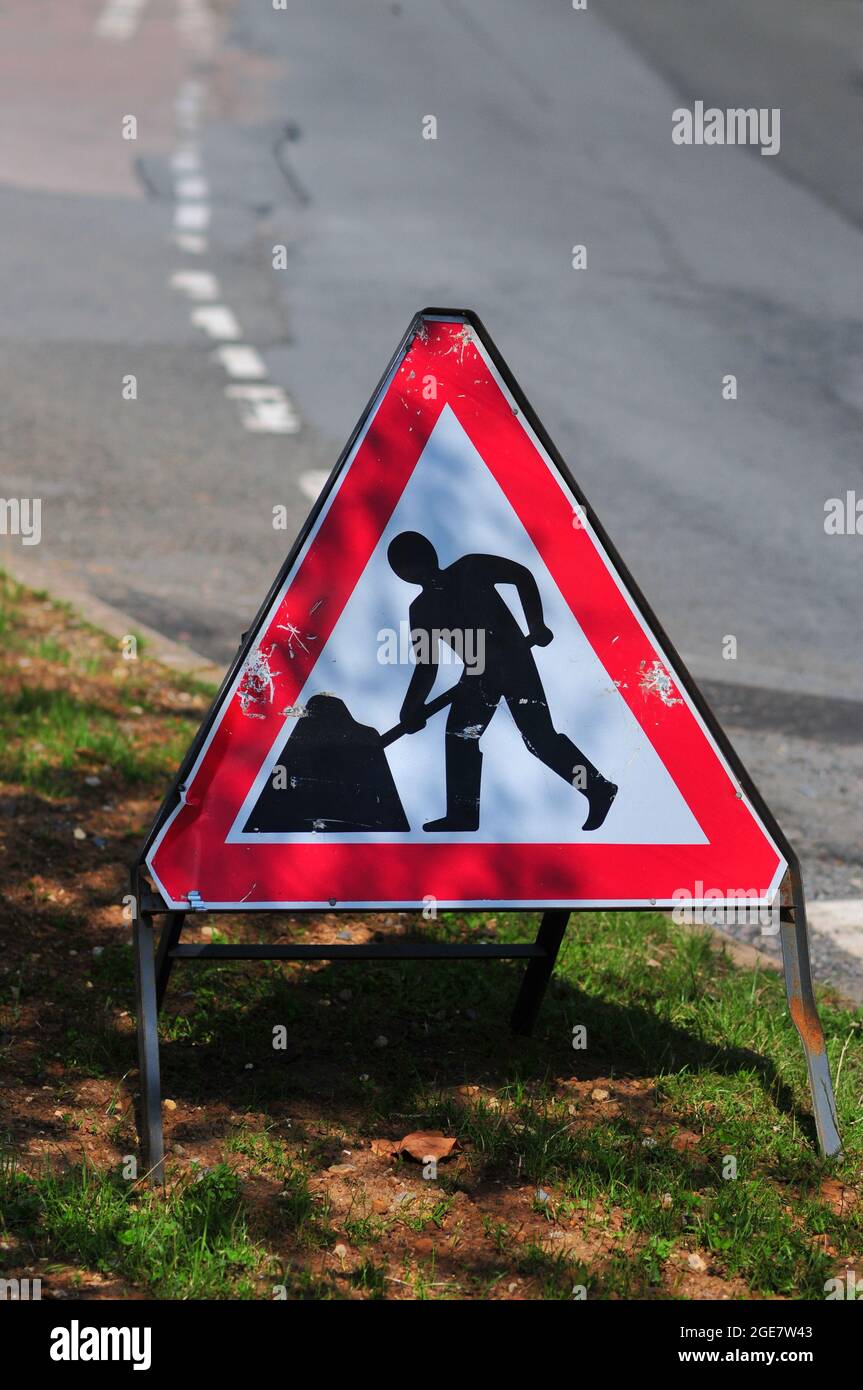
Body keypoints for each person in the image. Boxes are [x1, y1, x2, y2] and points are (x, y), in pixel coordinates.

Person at [387, 531, 618, 832]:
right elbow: (427, 665)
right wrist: (411, 708)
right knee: (460, 737)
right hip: (477, 676)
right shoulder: (421, 610)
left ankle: (598, 789)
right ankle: (463, 814)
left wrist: (535, 623)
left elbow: (521, 575)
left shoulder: (471, 568)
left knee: (539, 739)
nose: (415, 573)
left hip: (514, 663)